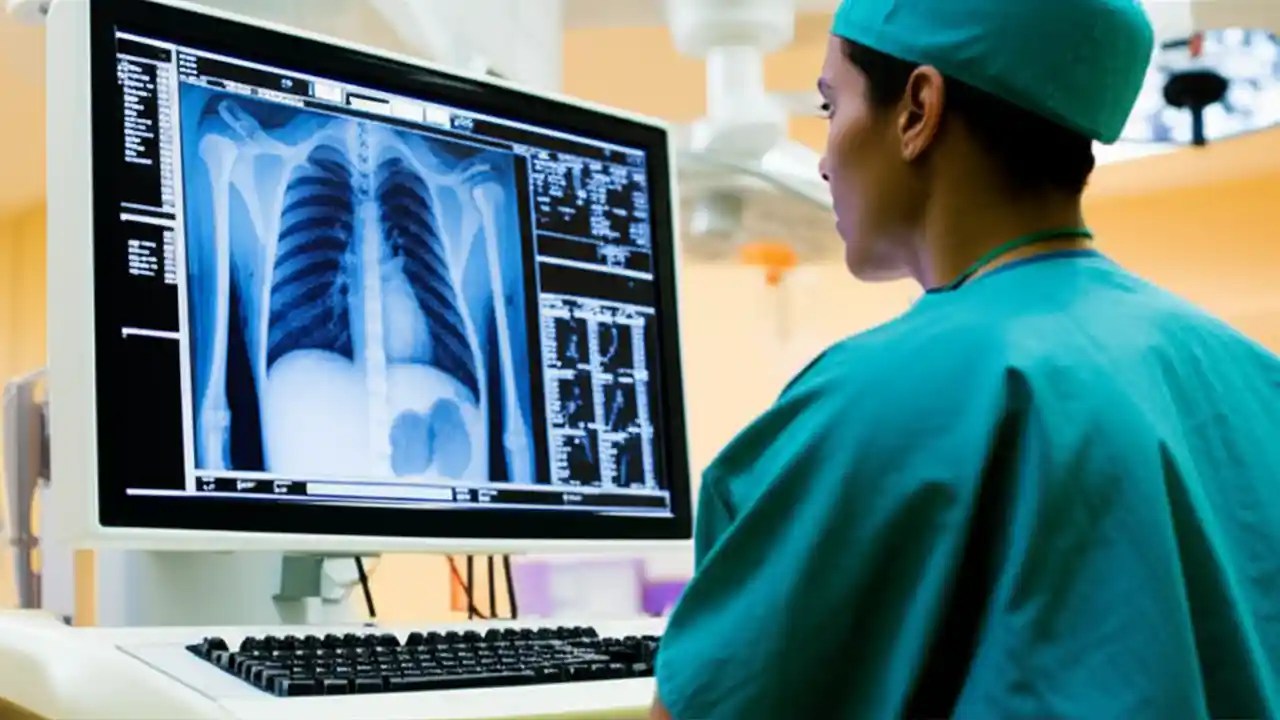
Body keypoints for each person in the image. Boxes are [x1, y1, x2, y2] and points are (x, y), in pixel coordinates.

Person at [650, 0, 1280, 718]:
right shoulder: (1252, 378)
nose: (823, 161)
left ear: (918, 108)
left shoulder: (877, 394)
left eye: (830, 107)